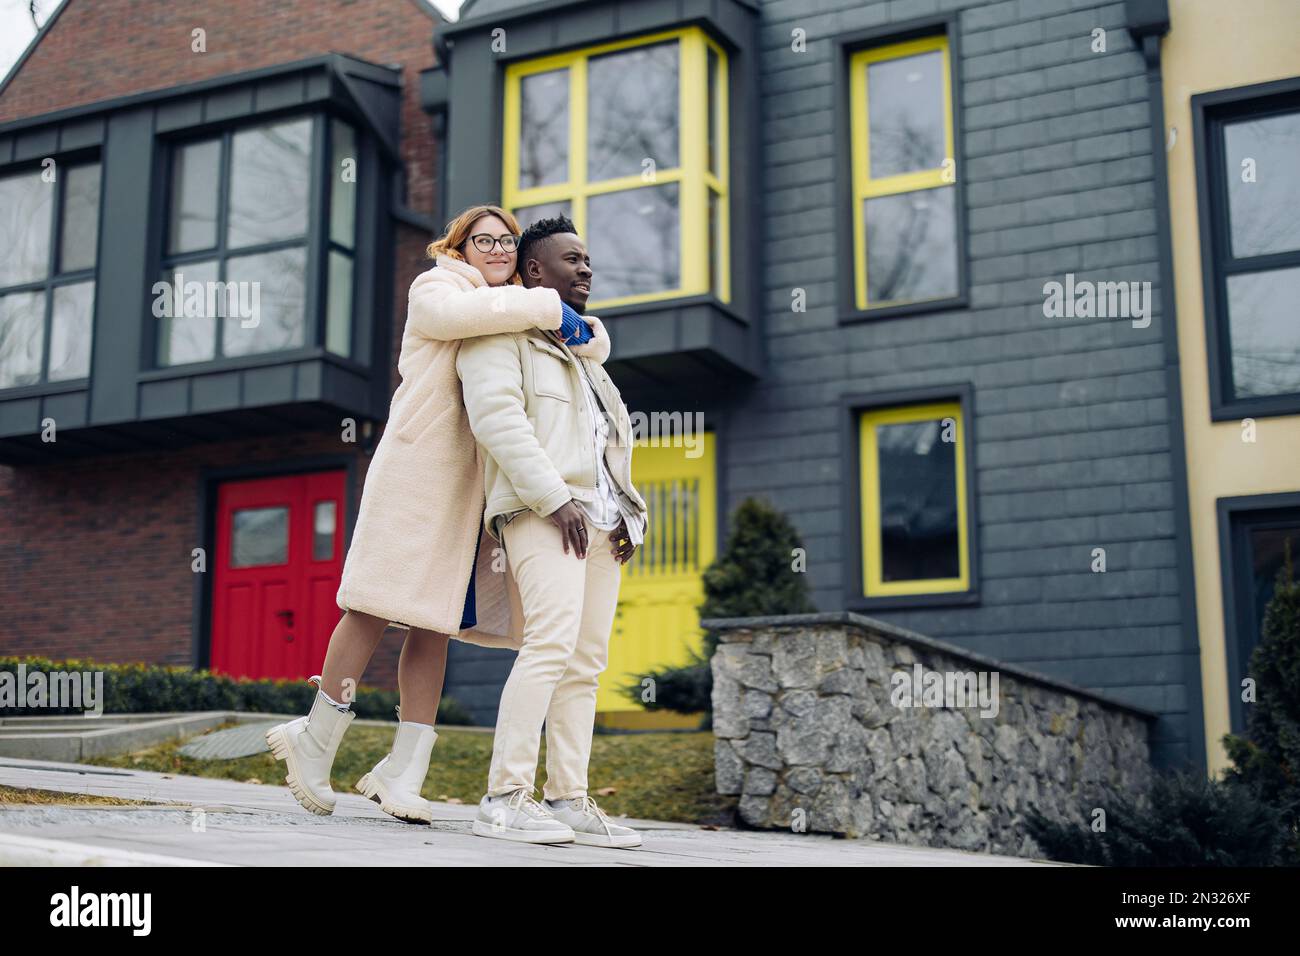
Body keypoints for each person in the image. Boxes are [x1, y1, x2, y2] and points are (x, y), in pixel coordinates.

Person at [265, 205, 611, 824]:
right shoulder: (441, 287)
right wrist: (549, 308)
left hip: (469, 490)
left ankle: (403, 771)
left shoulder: (509, 311)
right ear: (458, 245)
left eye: (507, 241)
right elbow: (459, 318)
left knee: (435, 623)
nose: (499, 248)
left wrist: (568, 319)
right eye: (485, 239)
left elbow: (594, 340)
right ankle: (313, 742)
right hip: (417, 471)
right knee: (373, 604)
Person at [456, 215, 649, 847]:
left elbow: (610, 445)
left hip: (600, 523)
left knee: (585, 665)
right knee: (548, 646)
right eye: (572, 259)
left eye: (588, 258)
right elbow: (497, 419)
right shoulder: (500, 334)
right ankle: (504, 797)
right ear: (534, 271)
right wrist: (552, 497)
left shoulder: (586, 355)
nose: (586, 268)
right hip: (542, 514)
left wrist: (624, 512)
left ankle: (568, 797)